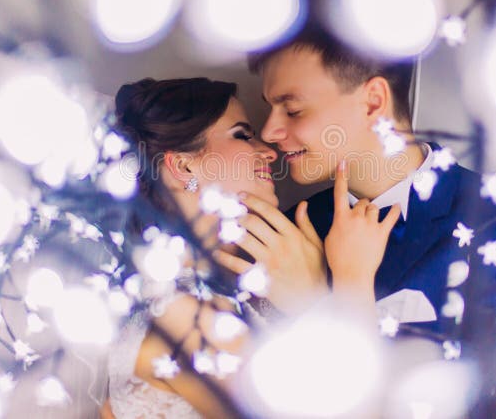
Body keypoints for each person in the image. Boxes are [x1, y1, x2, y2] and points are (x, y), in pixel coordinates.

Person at [247, 0, 496, 417]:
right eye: (269, 108)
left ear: (373, 102)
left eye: (293, 109)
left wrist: (323, 303)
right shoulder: (290, 234)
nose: (269, 132)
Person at [103, 77, 399, 418]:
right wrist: (351, 282)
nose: (269, 151)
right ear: (184, 167)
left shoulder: (245, 291)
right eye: (242, 135)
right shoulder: (184, 315)